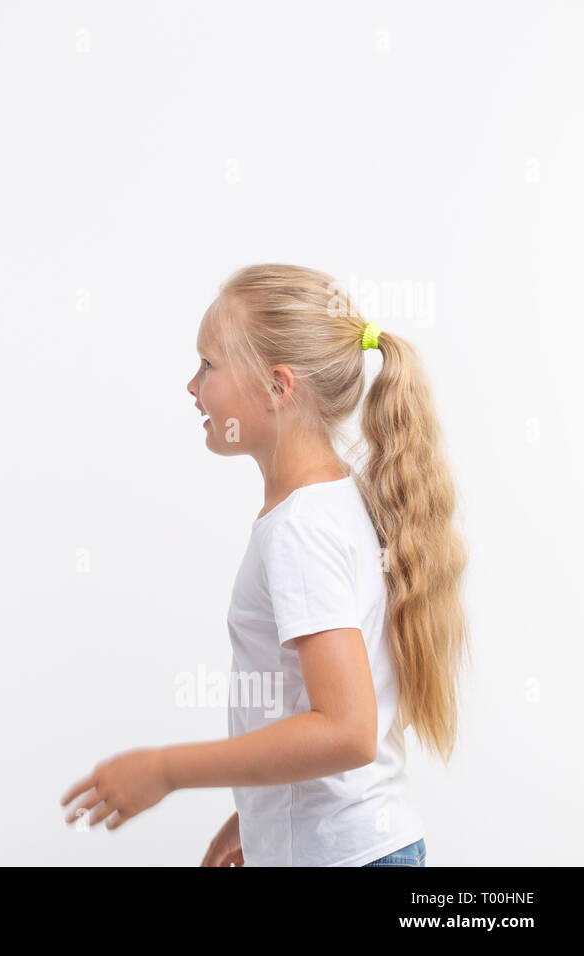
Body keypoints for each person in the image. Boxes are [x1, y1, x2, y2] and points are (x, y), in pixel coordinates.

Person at [58, 264, 469, 867]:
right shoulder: (333, 503)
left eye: (208, 365)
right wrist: (257, 814)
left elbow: (347, 730)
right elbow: (324, 713)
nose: (192, 387)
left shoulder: (299, 529)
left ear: (278, 387)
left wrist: (166, 770)